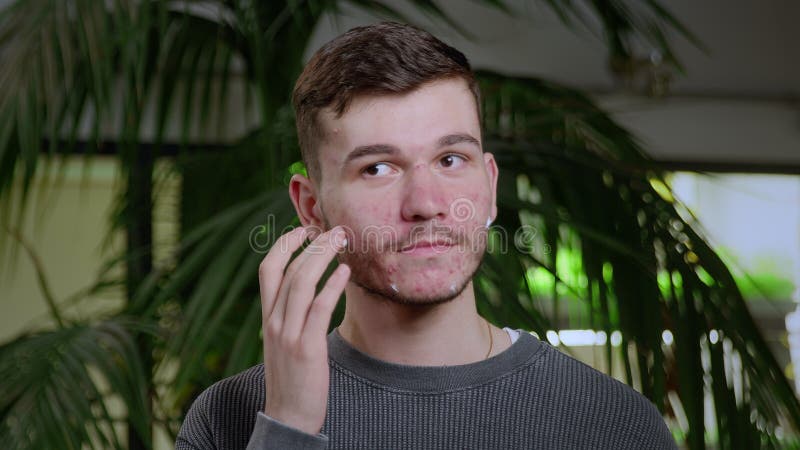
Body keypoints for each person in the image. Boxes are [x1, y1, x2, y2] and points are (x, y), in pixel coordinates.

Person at [176, 21, 677, 450]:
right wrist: (287, 429)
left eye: (450, 160)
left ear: (490, 183)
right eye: (377, 168)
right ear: (312, 207)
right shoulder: (227, 419)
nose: (425, 203)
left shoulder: (615, 426)